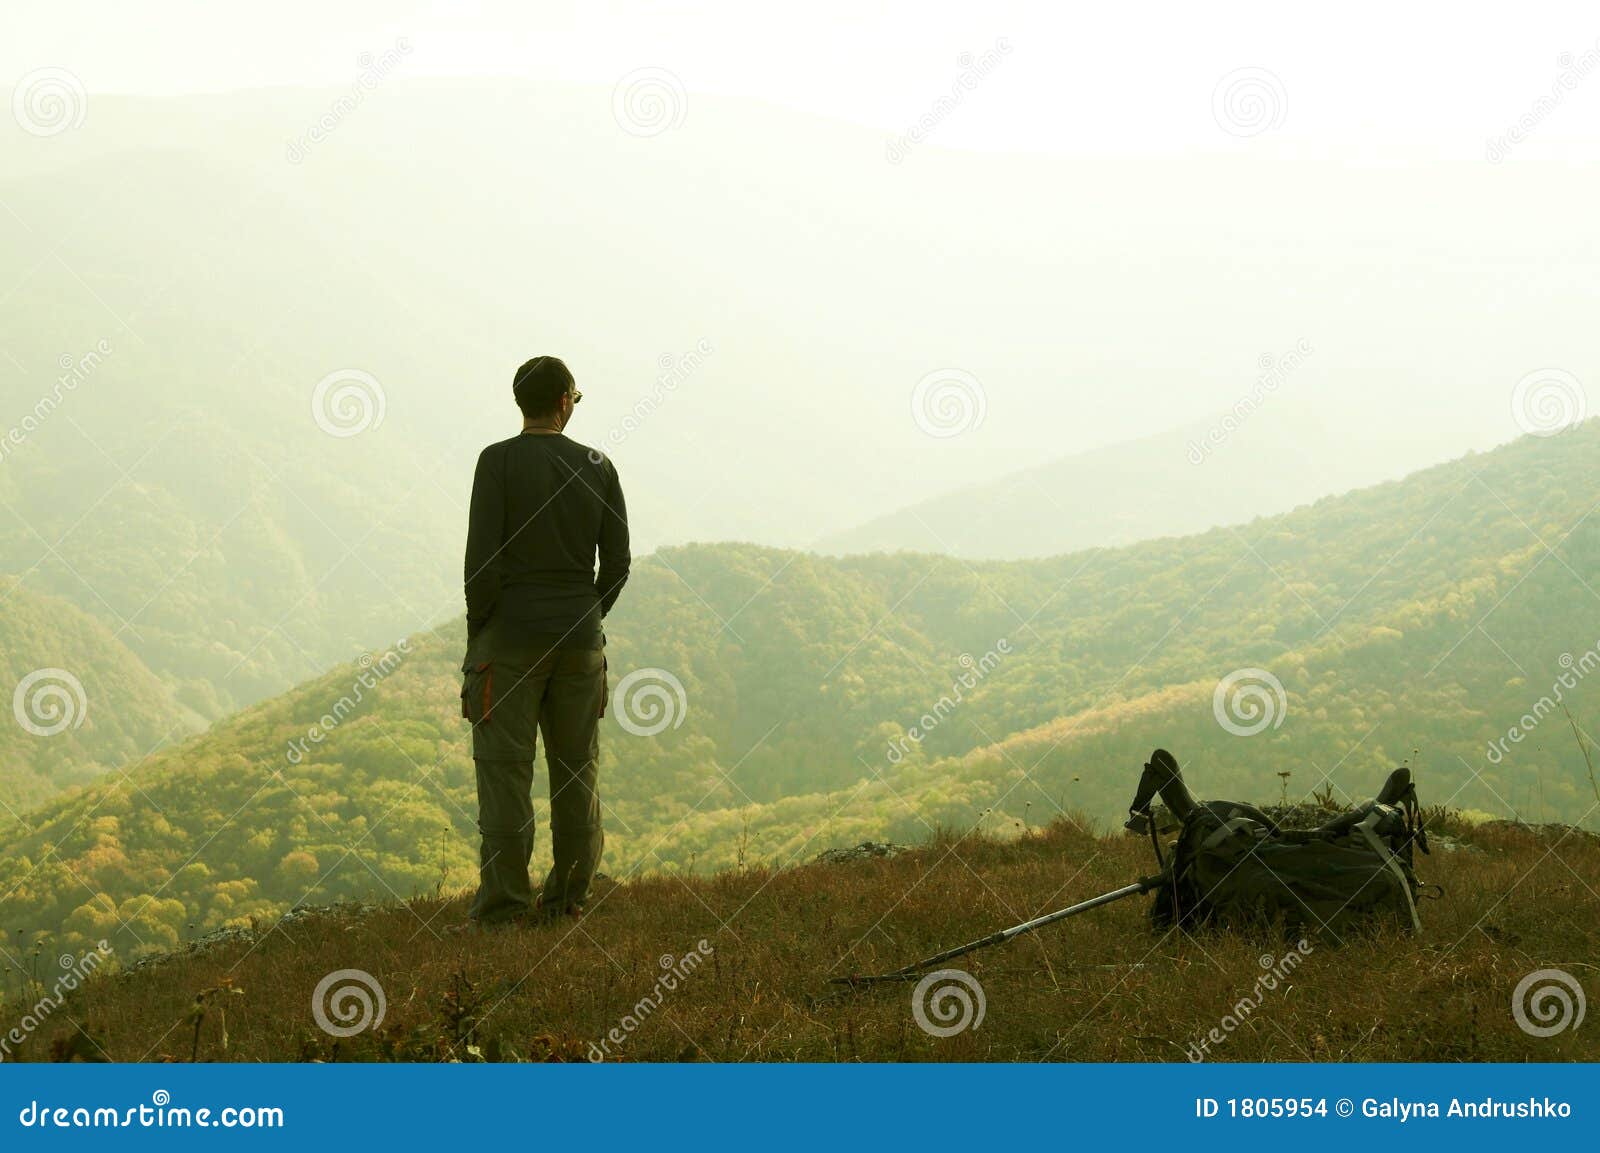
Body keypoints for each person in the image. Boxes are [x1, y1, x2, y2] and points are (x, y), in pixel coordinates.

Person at [459, 355, 629, 928]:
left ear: (521, 402)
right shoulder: (598, 464)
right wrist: (587, 613)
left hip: (508, 642)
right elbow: (620, 563)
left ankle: (505, 908)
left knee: (506, 774)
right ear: (564, 402)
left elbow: (480, 561)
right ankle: (566, 902)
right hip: (580, 643)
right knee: (576, 772)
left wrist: (480, 633)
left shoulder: (497, 462)